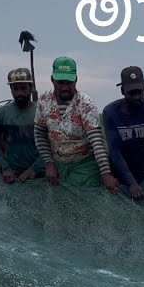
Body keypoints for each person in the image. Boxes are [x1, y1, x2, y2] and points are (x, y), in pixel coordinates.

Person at [34, 56, 118, 191]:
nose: (65, 87)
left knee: (85, 204)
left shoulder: (85, 103)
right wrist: (49, 163)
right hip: (58, 163)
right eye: (60, 83)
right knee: (59, 204)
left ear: (76, 80)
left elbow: (97, 141)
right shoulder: (44, 101)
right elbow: (39, 134)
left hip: (84, 165)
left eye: (69, 83)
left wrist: (106, 173)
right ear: (52, 80)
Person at [102, 65, 144, 208]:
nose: (137, 97)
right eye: (132, 93)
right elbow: (114, 151)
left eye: (140, 92)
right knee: (121, 225)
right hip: (119, 178)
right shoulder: (111, 113)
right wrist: (131, 183)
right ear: (122, 91)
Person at [0, 67, 43, 183]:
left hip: (38, 176)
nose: (19, 92)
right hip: (11, 177)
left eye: (23, 88)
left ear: (31, 88)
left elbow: (50, 146)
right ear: (11, 89)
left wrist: (34, 169)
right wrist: (5, 167)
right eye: (15, 89)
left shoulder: (41, 112)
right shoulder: (1, 113)